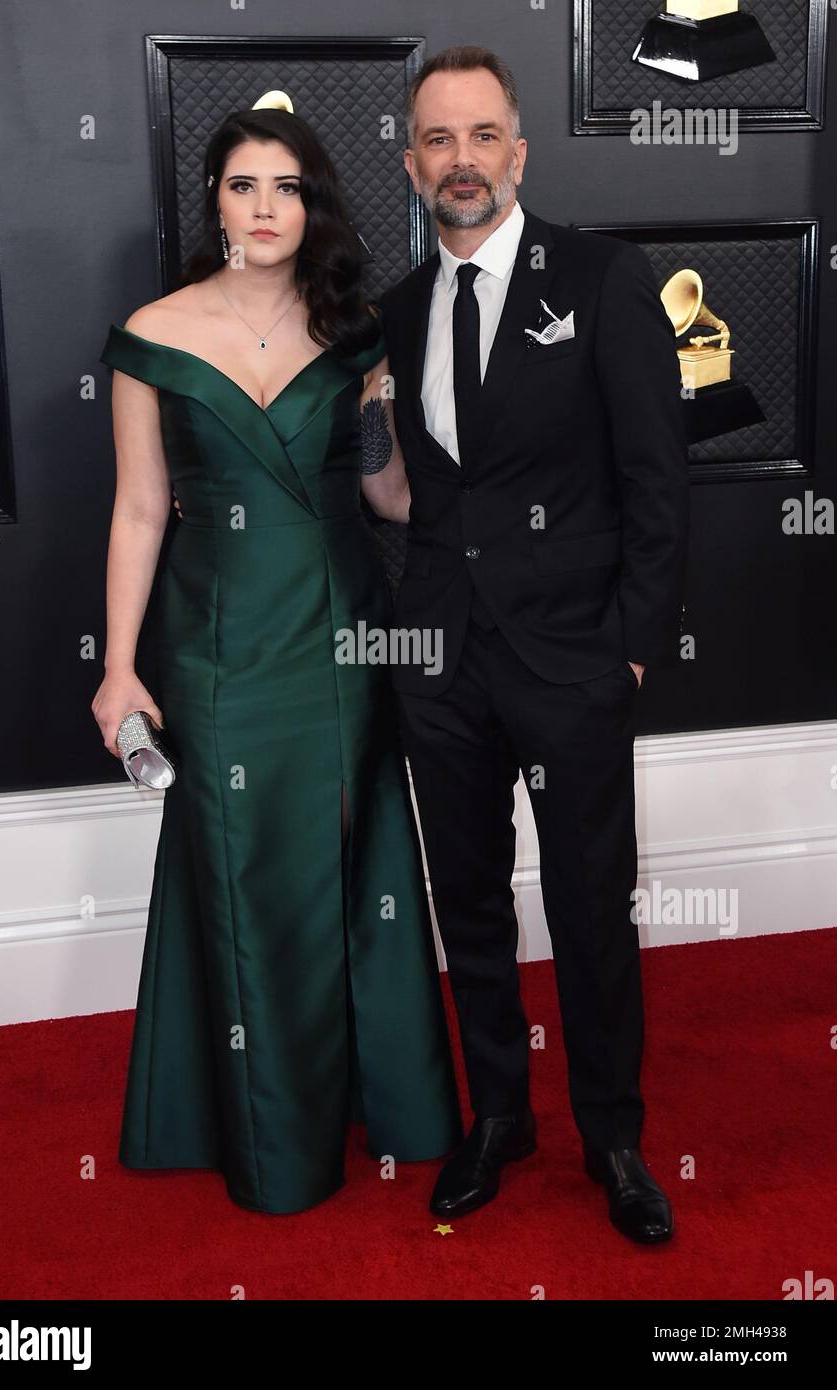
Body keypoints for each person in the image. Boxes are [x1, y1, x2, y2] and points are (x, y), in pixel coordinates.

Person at [91, 100, 463, 1215]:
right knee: (246, 879)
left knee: (355, 876)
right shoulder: (150, 333)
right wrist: (117, 669)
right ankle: (272, 1142)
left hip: (342, 634)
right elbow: (139, 512)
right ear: (215, 199)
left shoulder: (355, 332)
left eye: (286, 189)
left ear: (314, 209)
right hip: (218, 645)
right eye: (244, 186)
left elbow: (388, 497)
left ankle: (384, 1102)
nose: (263, 208)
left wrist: (388, 411)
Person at [377, 47, 690, 1241]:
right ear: (411, 164)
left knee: (592, 906)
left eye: (484, 136)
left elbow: (658, 483)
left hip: (573, 662)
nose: (463, 161)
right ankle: (498, 1115)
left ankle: (614, 1135)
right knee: (468, 903)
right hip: (443, 666)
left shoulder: (608, 280)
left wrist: (631, 650)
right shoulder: (399, 315)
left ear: (521, 150)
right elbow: (416, 494)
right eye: (439, 142)